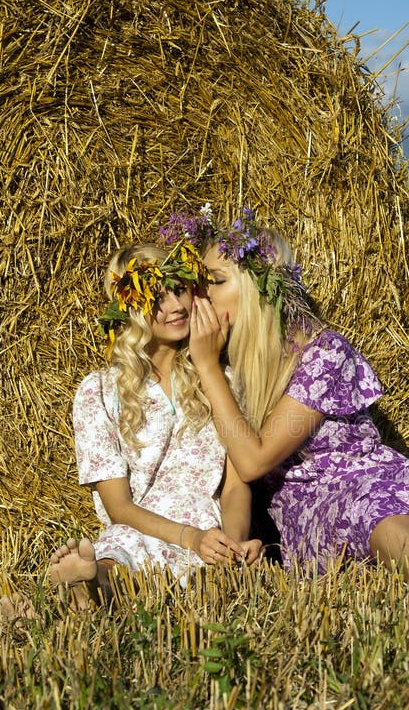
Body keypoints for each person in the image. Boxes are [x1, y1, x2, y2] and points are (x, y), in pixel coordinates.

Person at [182, 207, 409, 577]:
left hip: (376, 478)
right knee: (401, 538)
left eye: (215, 280)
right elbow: (242, 469)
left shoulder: (324, 353)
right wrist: (211, 368)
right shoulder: (232, 372)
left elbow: (255, 459)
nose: (201, 294)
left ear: (257, 287)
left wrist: (207, 367)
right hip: (316, 504)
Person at [28, 235, 262, 610]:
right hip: (141, 527)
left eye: (177, 290)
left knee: (176, 573)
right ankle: (92, 582)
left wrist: (230, 545)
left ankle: (80, 597)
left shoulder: (224, 382)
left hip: (208, 530)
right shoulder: (100, 391)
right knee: (122, 554)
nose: (174, 306)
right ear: (130, 311)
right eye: (156, 299)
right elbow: (119, 507)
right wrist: (189, 537)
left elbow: (237, 486)